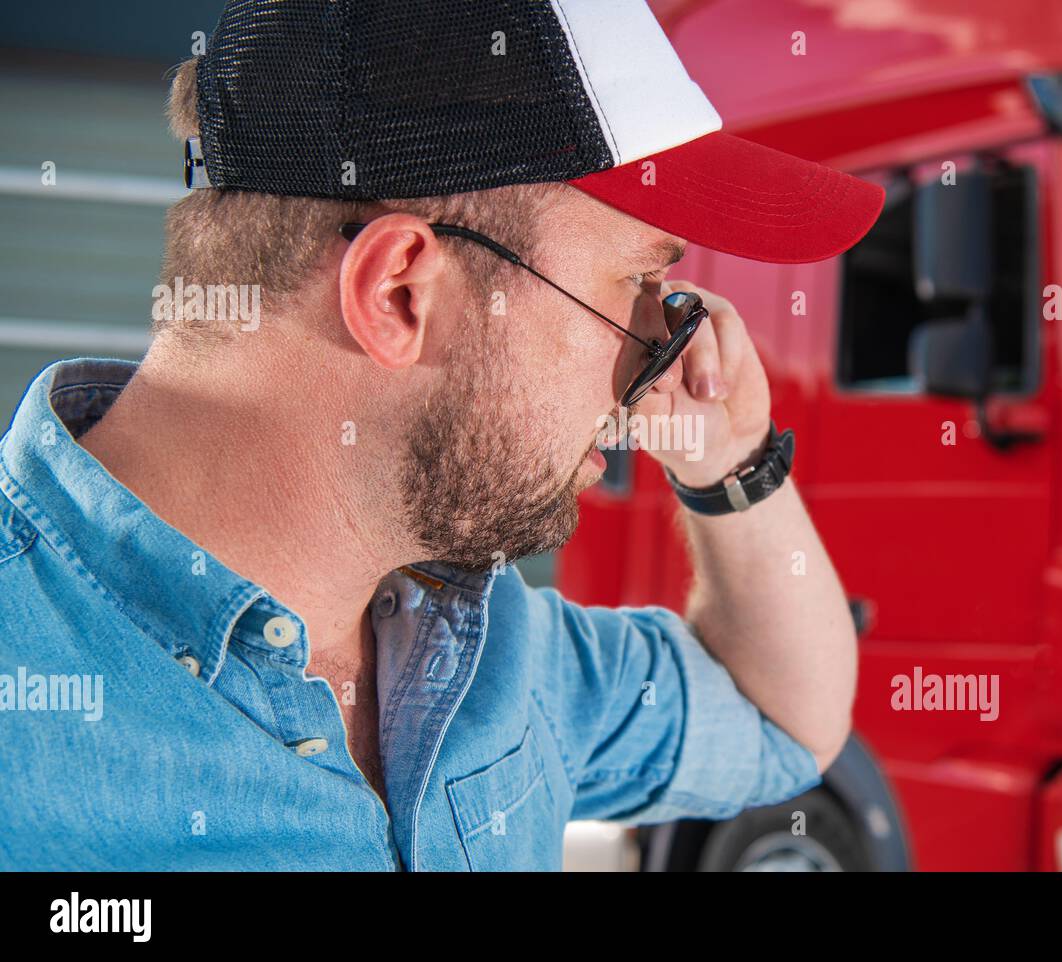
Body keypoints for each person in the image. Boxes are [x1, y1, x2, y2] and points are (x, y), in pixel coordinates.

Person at [0, 0, 883, 870]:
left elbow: (784, 722)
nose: (659, 369)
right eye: (638, 289)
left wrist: (731, 463)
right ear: (399, 295)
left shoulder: (491, 649)